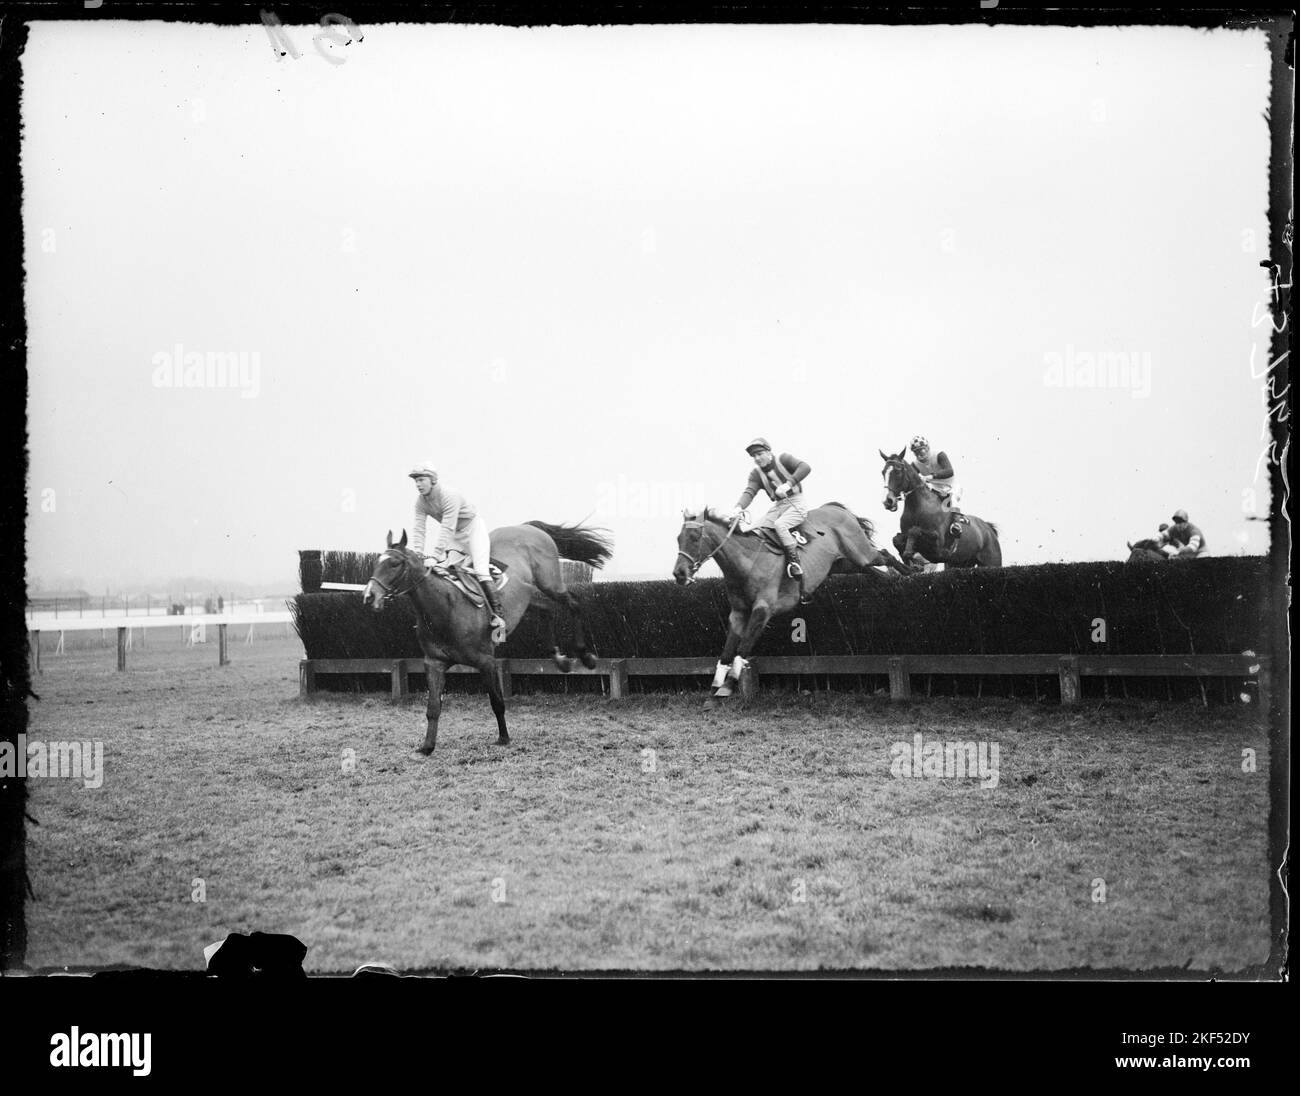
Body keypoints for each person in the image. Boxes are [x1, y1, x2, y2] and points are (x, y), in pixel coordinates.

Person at [408, 461, 505, 632]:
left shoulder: (449, 495)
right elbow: (419, 529)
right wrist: (418, 553)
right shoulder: (420, 502)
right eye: (416, 480)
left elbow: (447, 527)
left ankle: (497, 615)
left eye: (421, 479)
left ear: (432, 480)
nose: (418, 484)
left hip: (472, 529)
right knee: (446, 571)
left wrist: (435, 555)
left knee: (481, 571)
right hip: (455, 536)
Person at [721, 438, 811, 583]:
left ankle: (795, 563)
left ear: (769, 452)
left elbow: (805, 467)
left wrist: (788, 484)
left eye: (760, 454)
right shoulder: (756, 474)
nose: (757, 458)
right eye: (754, 456)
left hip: (796, 502)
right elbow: (749, 492)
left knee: (780, 525)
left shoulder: (784, 459)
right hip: (778, 506)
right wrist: (738, 508)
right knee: (755, 529)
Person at [908, 435, 964, 540]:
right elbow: (910, 478)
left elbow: (949, 471)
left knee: (952, 500)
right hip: (935, 487)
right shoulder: (915, 464)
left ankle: (956, 524)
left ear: (927, 448)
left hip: (951, 486)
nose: (919, 455)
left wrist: (932, 476)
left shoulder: (939, 455)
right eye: (916, 452)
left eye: (921, 451)